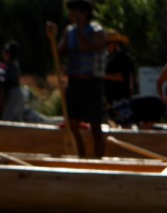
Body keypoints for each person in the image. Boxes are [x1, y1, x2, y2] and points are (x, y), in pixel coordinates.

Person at [47, 0, 106, 158]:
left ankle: (98, 159)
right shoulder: (69, 32)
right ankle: (81, 157)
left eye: (75, 12)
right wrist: (52, 36)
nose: (71, 15)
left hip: (91, 83)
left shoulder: (96, 30)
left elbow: (86, 46)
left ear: (84, 13)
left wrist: (80, 28)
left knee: (95, 126)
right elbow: (59, 53)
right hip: (75, 83)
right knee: (72, 124)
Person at [103, 30, 134, 124]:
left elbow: (121, 77)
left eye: (108, 43)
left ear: (116, 44)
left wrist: (101, 76)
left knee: (124, 126)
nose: (106, 46)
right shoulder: (109, 57)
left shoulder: (122, 57)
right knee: (111, 125)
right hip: (110, 99)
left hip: (120, 99)